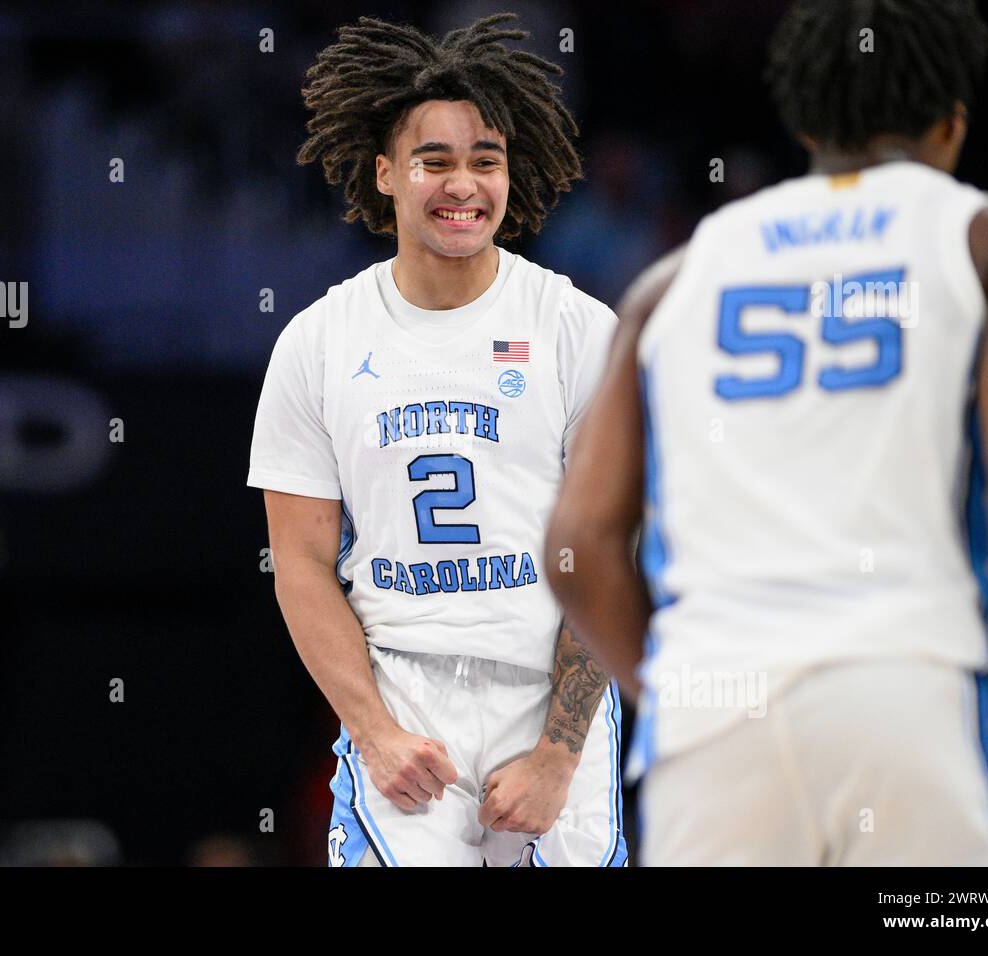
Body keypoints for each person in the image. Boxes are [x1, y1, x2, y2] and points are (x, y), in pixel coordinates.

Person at [546, 0, 988, 865]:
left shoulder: (672, 281)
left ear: (801, 120)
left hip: (710, 730)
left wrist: (683, 690)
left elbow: (576, 545)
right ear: (953, 122)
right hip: (913, 695)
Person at [248, 13, 625, 866]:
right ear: (386, 173)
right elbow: (300, 564)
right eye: (436, 161)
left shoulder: (576, 330)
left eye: (485, 161)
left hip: (550, 689)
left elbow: (610, 551)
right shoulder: (317, 341)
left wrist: (560, 754)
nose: (465, 185)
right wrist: (375, 733)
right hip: (405, 692)